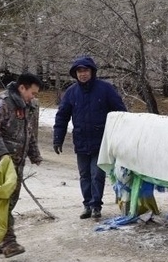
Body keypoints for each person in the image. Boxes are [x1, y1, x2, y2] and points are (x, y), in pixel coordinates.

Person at [53, 56, 127, 219]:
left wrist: (120, 136)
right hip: (81, 140)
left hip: (101, 141)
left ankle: (96, 206)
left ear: (92, 71)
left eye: (85, 70)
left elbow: (120, 113)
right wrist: (58, 138)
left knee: (97, 175)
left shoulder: (105, 89)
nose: (83, 74)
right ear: (75, 74)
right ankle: (87, 205)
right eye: (79, 71)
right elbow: (62, 116)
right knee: (84, 175)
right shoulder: (71, 92)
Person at [0, 73, 43, 258]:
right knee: (2, 203)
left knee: (8, 203)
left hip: (16, 163)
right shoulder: (1, 103)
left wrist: (34, 154)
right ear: (22, 88)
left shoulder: (26, 106)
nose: (33, 97)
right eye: (32, 93)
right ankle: (8, 242)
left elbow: (28, 132)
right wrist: (2, 155)